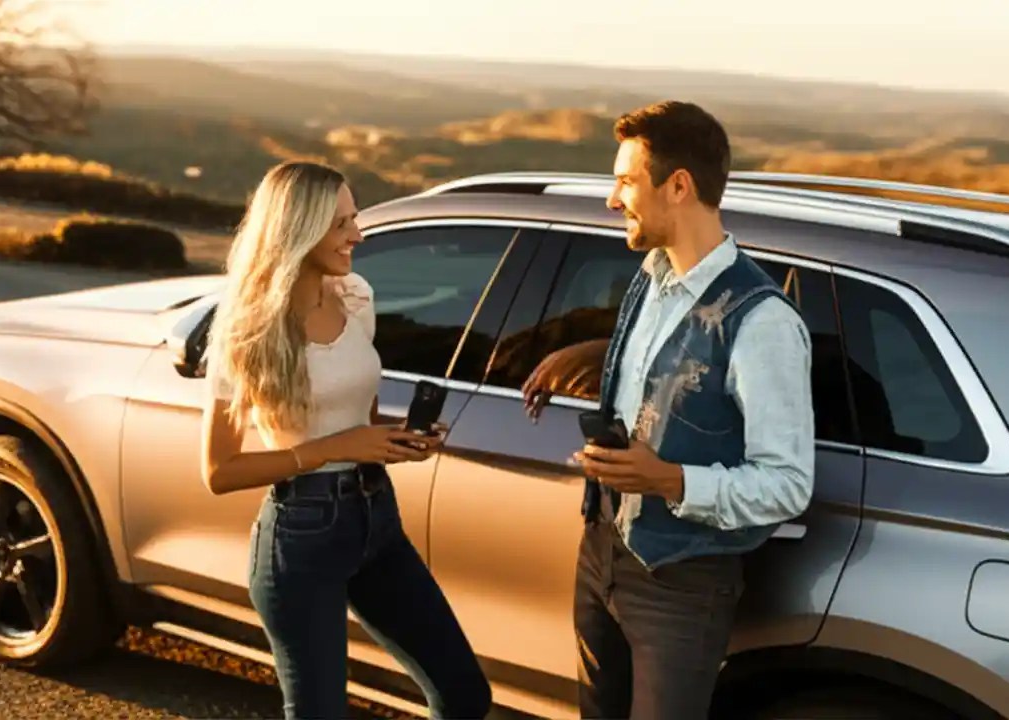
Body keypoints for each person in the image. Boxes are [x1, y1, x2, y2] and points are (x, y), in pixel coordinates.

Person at [523, 101, 815, 719]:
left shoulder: (763, 324)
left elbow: (788, 485)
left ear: (678, 186)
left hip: (682, 584)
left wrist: (668, 480)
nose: (611, 199)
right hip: (602, 550)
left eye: (626, 181)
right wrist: (593, 356)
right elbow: (677, 368)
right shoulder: (652, 276)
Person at [200, 161, 491, 720]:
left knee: (463, 695)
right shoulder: (246, 328)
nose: (357, 235)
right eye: (340, 224)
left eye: (354, 219)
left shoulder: (355, 295)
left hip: (376, 517)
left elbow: (361, 414)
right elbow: (218, 471)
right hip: (300, 536)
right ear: (297, 228)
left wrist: (394, 440)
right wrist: (334, 449)